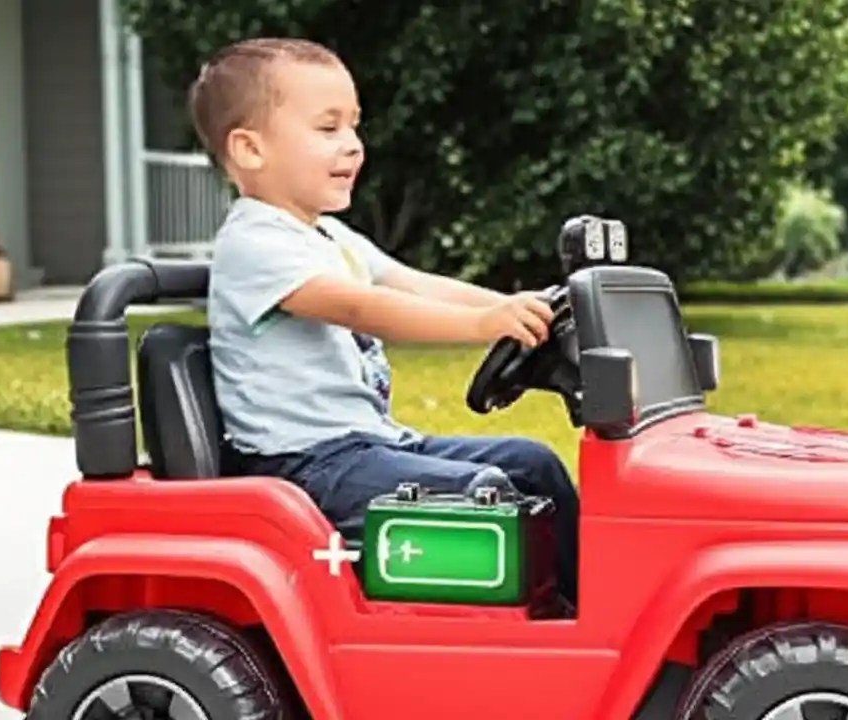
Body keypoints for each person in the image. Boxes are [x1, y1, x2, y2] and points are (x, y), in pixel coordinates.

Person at [190, 37, 579, 606]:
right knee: (481, 497)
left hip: (370, 444)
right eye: (328, 129)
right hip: (305, 464)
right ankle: (518, 635)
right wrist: (483, 326)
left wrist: (513, 305)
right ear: (250, 150)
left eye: (354, 127)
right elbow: (361, 307)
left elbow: (413, 283)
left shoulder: (327, 234)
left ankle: (584, 616)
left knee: (532, 464)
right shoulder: (255, 242)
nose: (352, 146)